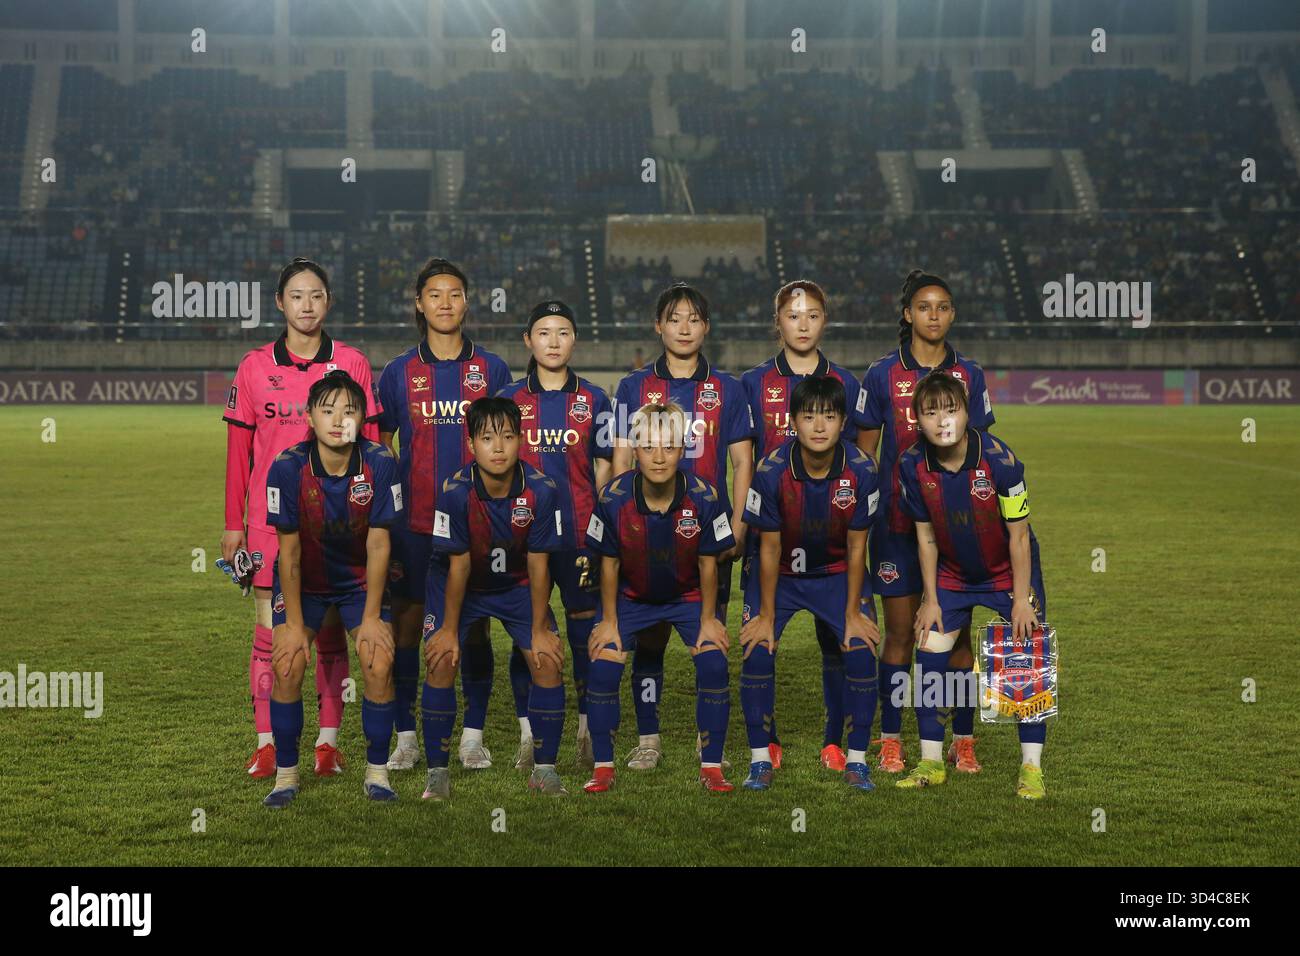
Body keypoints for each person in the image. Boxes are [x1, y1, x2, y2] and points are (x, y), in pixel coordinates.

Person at [222, 257, 380, 779]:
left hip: (339, 525)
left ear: (328, 302)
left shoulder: (352, 364)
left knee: (332, 631)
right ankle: (268, 744)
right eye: (296, 296)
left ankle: (327, 744)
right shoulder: (252, 367)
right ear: (280, 303)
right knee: (272, 633)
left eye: (315, 296)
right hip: (271, 527)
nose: (306, 305)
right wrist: (232, 526)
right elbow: (238, 453)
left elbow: (373, 448)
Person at [611, 282, 754, 770]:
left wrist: (738, 523)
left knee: (707, 636)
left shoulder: (728, 389)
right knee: (648, 641)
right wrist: (614, 522)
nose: (685, 327)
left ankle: (705, 740)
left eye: (694, 318)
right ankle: (648, 739)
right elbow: (621, 459)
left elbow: (742, 461)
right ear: (659, 326)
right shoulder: (633, 387)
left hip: (707, 537)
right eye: (675, 318)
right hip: (644, 534)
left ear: (706, 327)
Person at [376, 258, 511, 772]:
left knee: (474, 628)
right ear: (419, 303)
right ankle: (406, 738)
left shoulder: (493, 370)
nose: (446, 303)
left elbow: (505, 444)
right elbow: (381, 444)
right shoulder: (398, 372)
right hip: (413, 526)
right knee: (408, 629)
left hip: (479, 525)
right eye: (435, 294)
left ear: (467, 302)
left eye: (455, 293)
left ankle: (472, 737)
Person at [857, 269, 994, 775]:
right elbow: (864, 457)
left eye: (942, 307)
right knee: (898, 634)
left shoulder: (970, 375)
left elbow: (979, 454)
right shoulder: (881, 375)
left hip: (958, 529)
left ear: (952, 314)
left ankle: (962, 738)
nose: (933, 316)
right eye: (924, 307)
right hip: (896, 526)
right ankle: (891, 738)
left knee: (956, 637)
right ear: (907, 314)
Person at [896, 372, 1048, 799]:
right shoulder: (910, 465)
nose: (942, 421)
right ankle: (930, 761)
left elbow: (1019, 535)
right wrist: (930, 599)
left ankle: (1031, 770)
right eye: (931, 412)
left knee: (1026, 660)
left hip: (1007, 573)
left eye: (951, 409)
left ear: (967, 412)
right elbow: (924, 536)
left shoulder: (1000, 460)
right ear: (917, 420)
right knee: (928, 656)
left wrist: (1021, 600)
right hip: (953, 575)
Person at [741, 279, 867, 772]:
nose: (803, 324)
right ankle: (766, 743)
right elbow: (744, 458)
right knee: (761, 636)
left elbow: (860, 457)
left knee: (838, 642)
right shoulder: (752, 383)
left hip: (834, 533)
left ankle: (834, 741)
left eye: (813, 315)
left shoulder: (847, 384)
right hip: (771, 531)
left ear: (824, 321)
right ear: (778, 322)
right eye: (793, 316)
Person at [261, 371, 401, 807]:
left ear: (362, 418)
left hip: (362, 582)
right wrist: (293, 627)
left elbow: (379, 543)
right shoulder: (286, 467)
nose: (339, 420)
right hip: (308, 584)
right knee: (285, 665)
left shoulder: (379, 462)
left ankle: (377, 773)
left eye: (349, 411)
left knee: (378, 662)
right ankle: (285, 777)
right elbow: (289, 554)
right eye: (328, 411)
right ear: (309, 417)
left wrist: (374, 618)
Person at [419, 397, 570, 799]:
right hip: (460, 585)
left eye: (507, 436)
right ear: (471, 444)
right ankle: (438, 773)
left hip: (517, 584)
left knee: (547, 659)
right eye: (487, 438)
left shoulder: (542, 490)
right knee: (441, 658)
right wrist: (449, 630)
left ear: (522, 440)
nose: (498, 447)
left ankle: (545, 770)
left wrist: (539, 629)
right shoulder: (454, 491)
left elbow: (540, 565)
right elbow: (459, 567)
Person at [582, 401, 735, 794]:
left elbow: (708, 565)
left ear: (683, 449)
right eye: (649, 446)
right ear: (634, 449)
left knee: (714, 660)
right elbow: (610, 566)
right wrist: (610, 621)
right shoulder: (613, 498)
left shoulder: (704, 496)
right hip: (632, 597)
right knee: (603, 663)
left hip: (686, 597)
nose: (659, 456)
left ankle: (712, 764)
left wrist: (708, 620)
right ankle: (603, 767)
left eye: (668, 446)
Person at [739, 377, 881, 791]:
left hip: (837, 573)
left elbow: (857, 549)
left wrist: (854, 613)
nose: (819, 427)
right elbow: (768, 549)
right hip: (780, 575)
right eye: (809, 416)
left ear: (843, 422)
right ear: (793, 422)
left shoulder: (861, 470)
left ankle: (855, 759)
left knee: (860, 650)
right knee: (757, 650)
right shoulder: (771, 471)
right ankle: (761, 759)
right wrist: (765, 616)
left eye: (830, 416)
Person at [497, 301, 613, 771]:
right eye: (543, 332)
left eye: (562, 332)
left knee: (587, 634)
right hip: (525, 540)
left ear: (574, 340)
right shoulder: (508, 400)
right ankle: (529, 733)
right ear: (528, 340)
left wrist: (607, 532)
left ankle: (587, 727)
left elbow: (604, 470)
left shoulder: (596, 399)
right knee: (530, 631)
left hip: (582, 536)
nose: (552, 341)